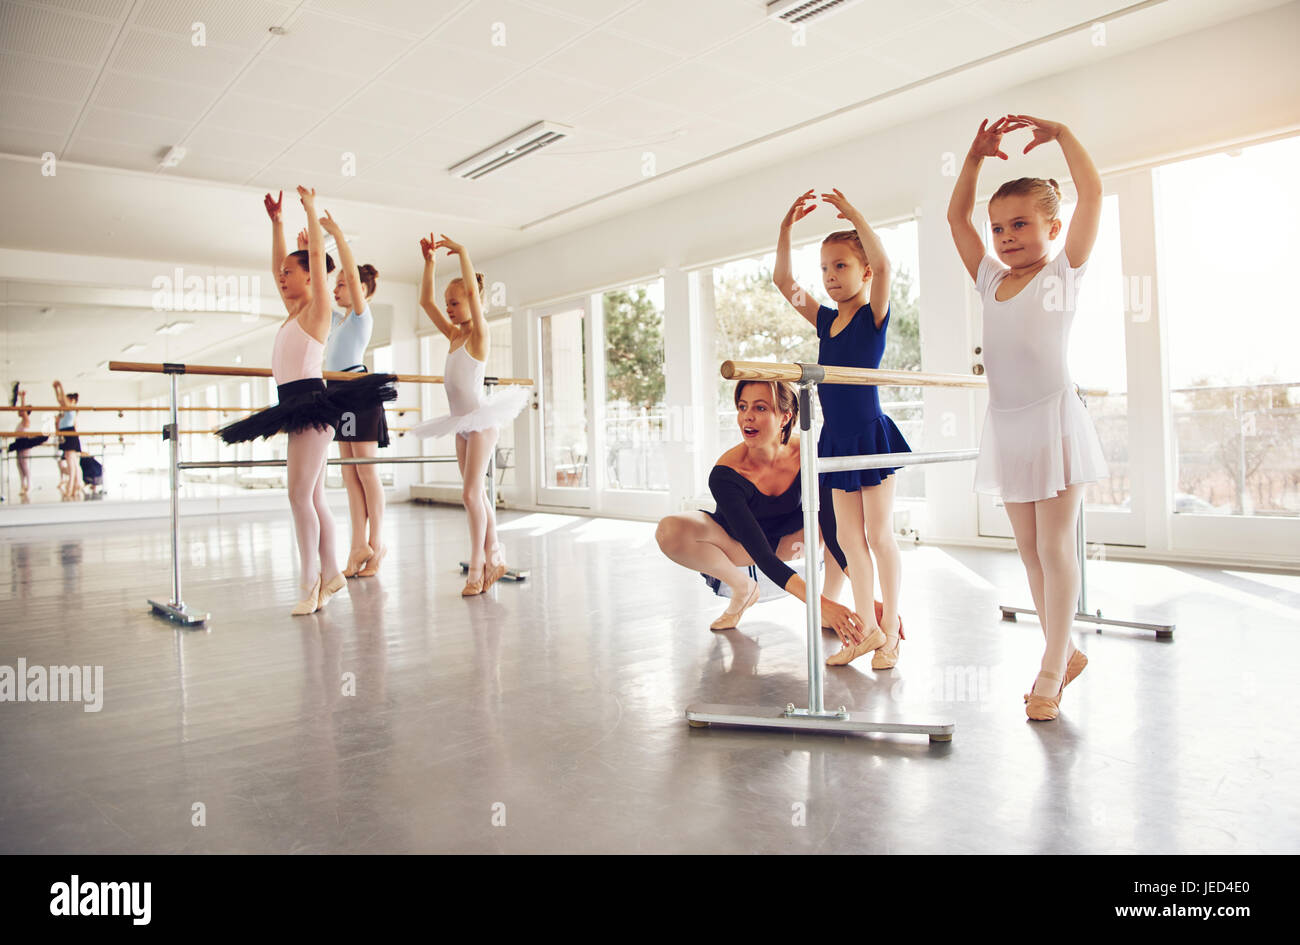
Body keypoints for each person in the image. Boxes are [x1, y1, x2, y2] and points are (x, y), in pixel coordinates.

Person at [947, 115, 1106, 721]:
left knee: (1056, 545)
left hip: (1054, 422)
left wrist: (1064, 134)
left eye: (1020, 224)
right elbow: (956, 220)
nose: (1006, 236)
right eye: (999, 227)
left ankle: (1050, 668)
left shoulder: (1063, 274)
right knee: (1030, 551)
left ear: (1053, 227)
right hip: (1008, 425)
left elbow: (1091, 192)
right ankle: (1061, 651)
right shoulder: (990, 279)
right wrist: (973, 157)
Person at [218, 187, 396, 616]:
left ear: (310, 278)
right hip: (294, 407)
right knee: (311, 497)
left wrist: (313, 215)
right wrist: (277, 224)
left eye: (289, 273)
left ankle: (309, 581)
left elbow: (317, 261)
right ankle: (330, 573)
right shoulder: (293, 311)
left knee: (299, 496)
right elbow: (280, 265)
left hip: (313, 407)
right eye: (280, 275)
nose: (282, 277)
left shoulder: (317, 309)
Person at [774, 188, 910, 668]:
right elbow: (783, 280)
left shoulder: (874, 316)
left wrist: (854, 213)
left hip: (870, 436)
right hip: (835, 441)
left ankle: (891, 633)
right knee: (849, 542)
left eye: (842, 267)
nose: (831, 277)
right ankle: (867, 631)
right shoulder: (824, 321)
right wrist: (787, 227)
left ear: (864, 271)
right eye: (826, 269)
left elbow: (887, 266)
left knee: (880, 537)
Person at [655, 379, 864, 646]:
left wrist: (866, 597)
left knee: (845, 512)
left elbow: (833, 532)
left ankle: (831, 605)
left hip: (792, 540)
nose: (748, 417)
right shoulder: (726, 474)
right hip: (742, 546)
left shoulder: (810, 451)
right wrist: (816, 603)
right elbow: (761, 554)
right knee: (669, 529)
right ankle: (744, 588)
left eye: (761, 408)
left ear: (785, 417)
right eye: (742, 407)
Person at [413, 233, 528, 595]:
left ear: (471, 301)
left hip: (481, 423)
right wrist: (429, 263)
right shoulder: (452, 336)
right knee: (475, 495)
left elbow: (475, 306)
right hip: (462, 424)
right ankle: (495, 555)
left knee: (469, 494)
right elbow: (424, 302)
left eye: (454, 303)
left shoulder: (479, 334)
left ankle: (477, 567)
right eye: (448, 303)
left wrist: (463, 252)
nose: (447, 308)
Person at [310, 219, 388, 579]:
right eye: (337, 283)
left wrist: (337, 237)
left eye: (344, 284)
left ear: (361, 292)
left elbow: (353, 284)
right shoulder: (339, 322)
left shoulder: (361, 317)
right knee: (349, 473)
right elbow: (317, 295)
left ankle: (378, 542)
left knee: (366, 471)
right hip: (338, 392)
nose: (338, 289)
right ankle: (359, 543)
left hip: (358, 387)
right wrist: (312, 251)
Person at [8, 384, 47, 500]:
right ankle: (22, 485)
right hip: (19, 442)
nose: (20, 411)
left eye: (22, 410)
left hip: (24, 443)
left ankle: (29, 485)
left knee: (24, 465)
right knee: (19, 465)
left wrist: (22, 398)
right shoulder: (21, 422)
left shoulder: (26, 420)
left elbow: (24, 411)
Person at [52, 380, 80, 500]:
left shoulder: (71, 408)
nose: (63, 402)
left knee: (71, 463)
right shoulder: (67, 409)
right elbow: (60, 400)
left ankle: (71, 488)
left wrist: (61, 387)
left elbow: (62, 399)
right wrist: (56, 389)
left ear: (72, 401)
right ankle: (74, 486)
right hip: (67, 433)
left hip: (69, 433)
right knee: (72, 462)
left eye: (67, 400)